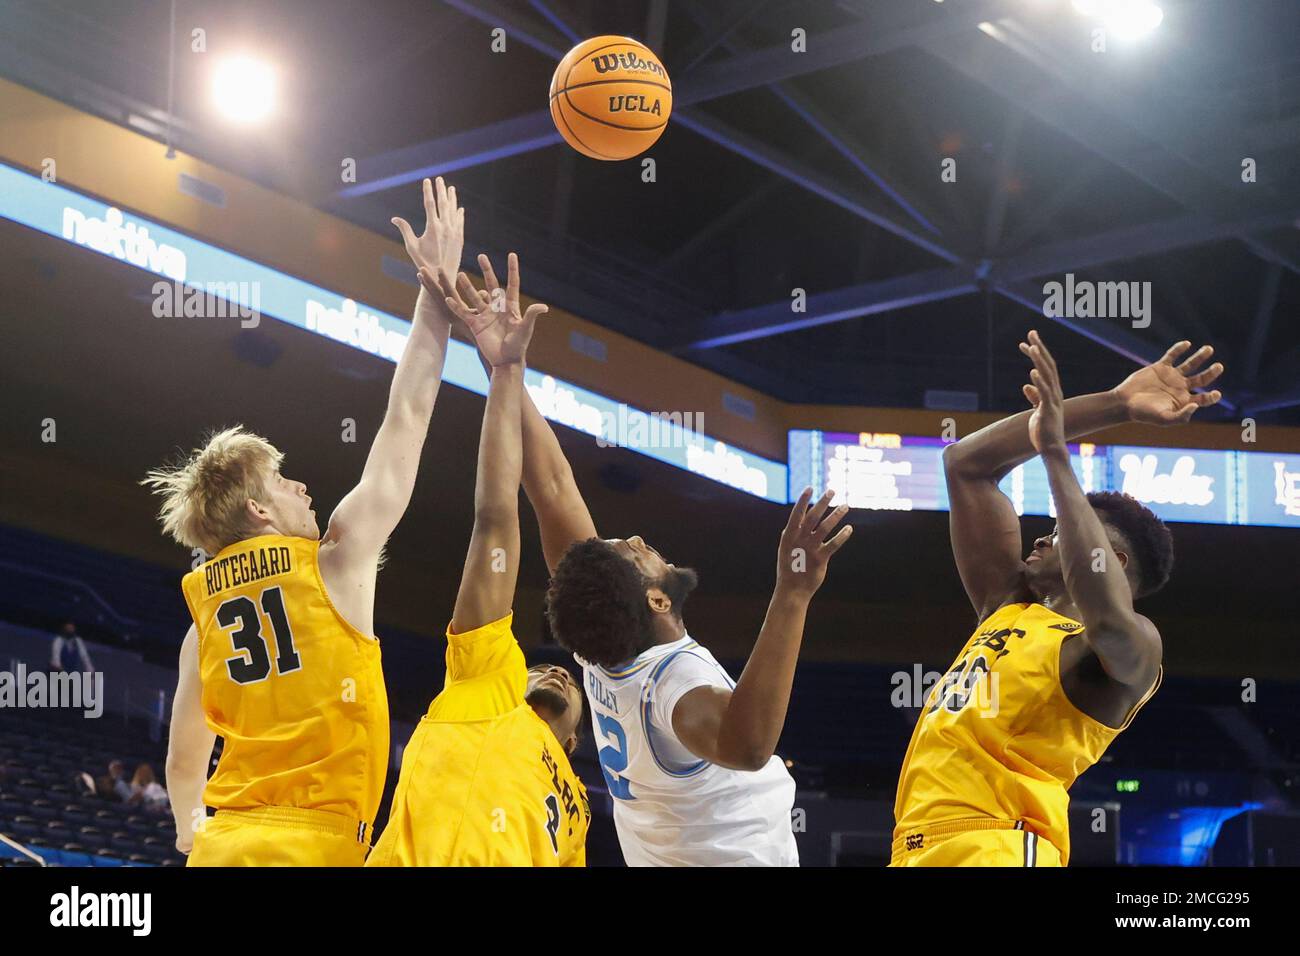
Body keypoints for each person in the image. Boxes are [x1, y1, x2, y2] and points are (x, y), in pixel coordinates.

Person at [145, 177, 464, 866]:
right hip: (315, 845)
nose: (303, 487)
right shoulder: (334, 561)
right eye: (286, 483)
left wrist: (187, 828)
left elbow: (181, 762)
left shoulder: (202, 619)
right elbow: (405, 419)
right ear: (259, 510)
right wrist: (435, 299)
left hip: (225, 844)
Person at [891, 333, 1224, 867]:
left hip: (1001, 844)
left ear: (1112, 561)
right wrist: (1114, 404)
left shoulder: (1130, 644)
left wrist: (1056, 457)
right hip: (917, 845)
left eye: (1060, 529)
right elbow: (965, 465)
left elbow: (1110, 620)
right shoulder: (1008, 606)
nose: (1043, 539)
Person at [513, 348, 851, 866]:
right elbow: (748, 746)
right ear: (655, 597)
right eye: (635, 551)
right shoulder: (673, 682)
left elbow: (552, 486)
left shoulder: (601, 642)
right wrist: (793, 591)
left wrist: (508, 368)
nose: (641, 538)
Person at [368, 252, 590, 866]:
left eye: (569, 683)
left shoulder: (580, 814)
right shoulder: (488, 673)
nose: (563, 673)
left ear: (573, 744)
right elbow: (497, 518)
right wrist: (507, 372)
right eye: (555, 669)